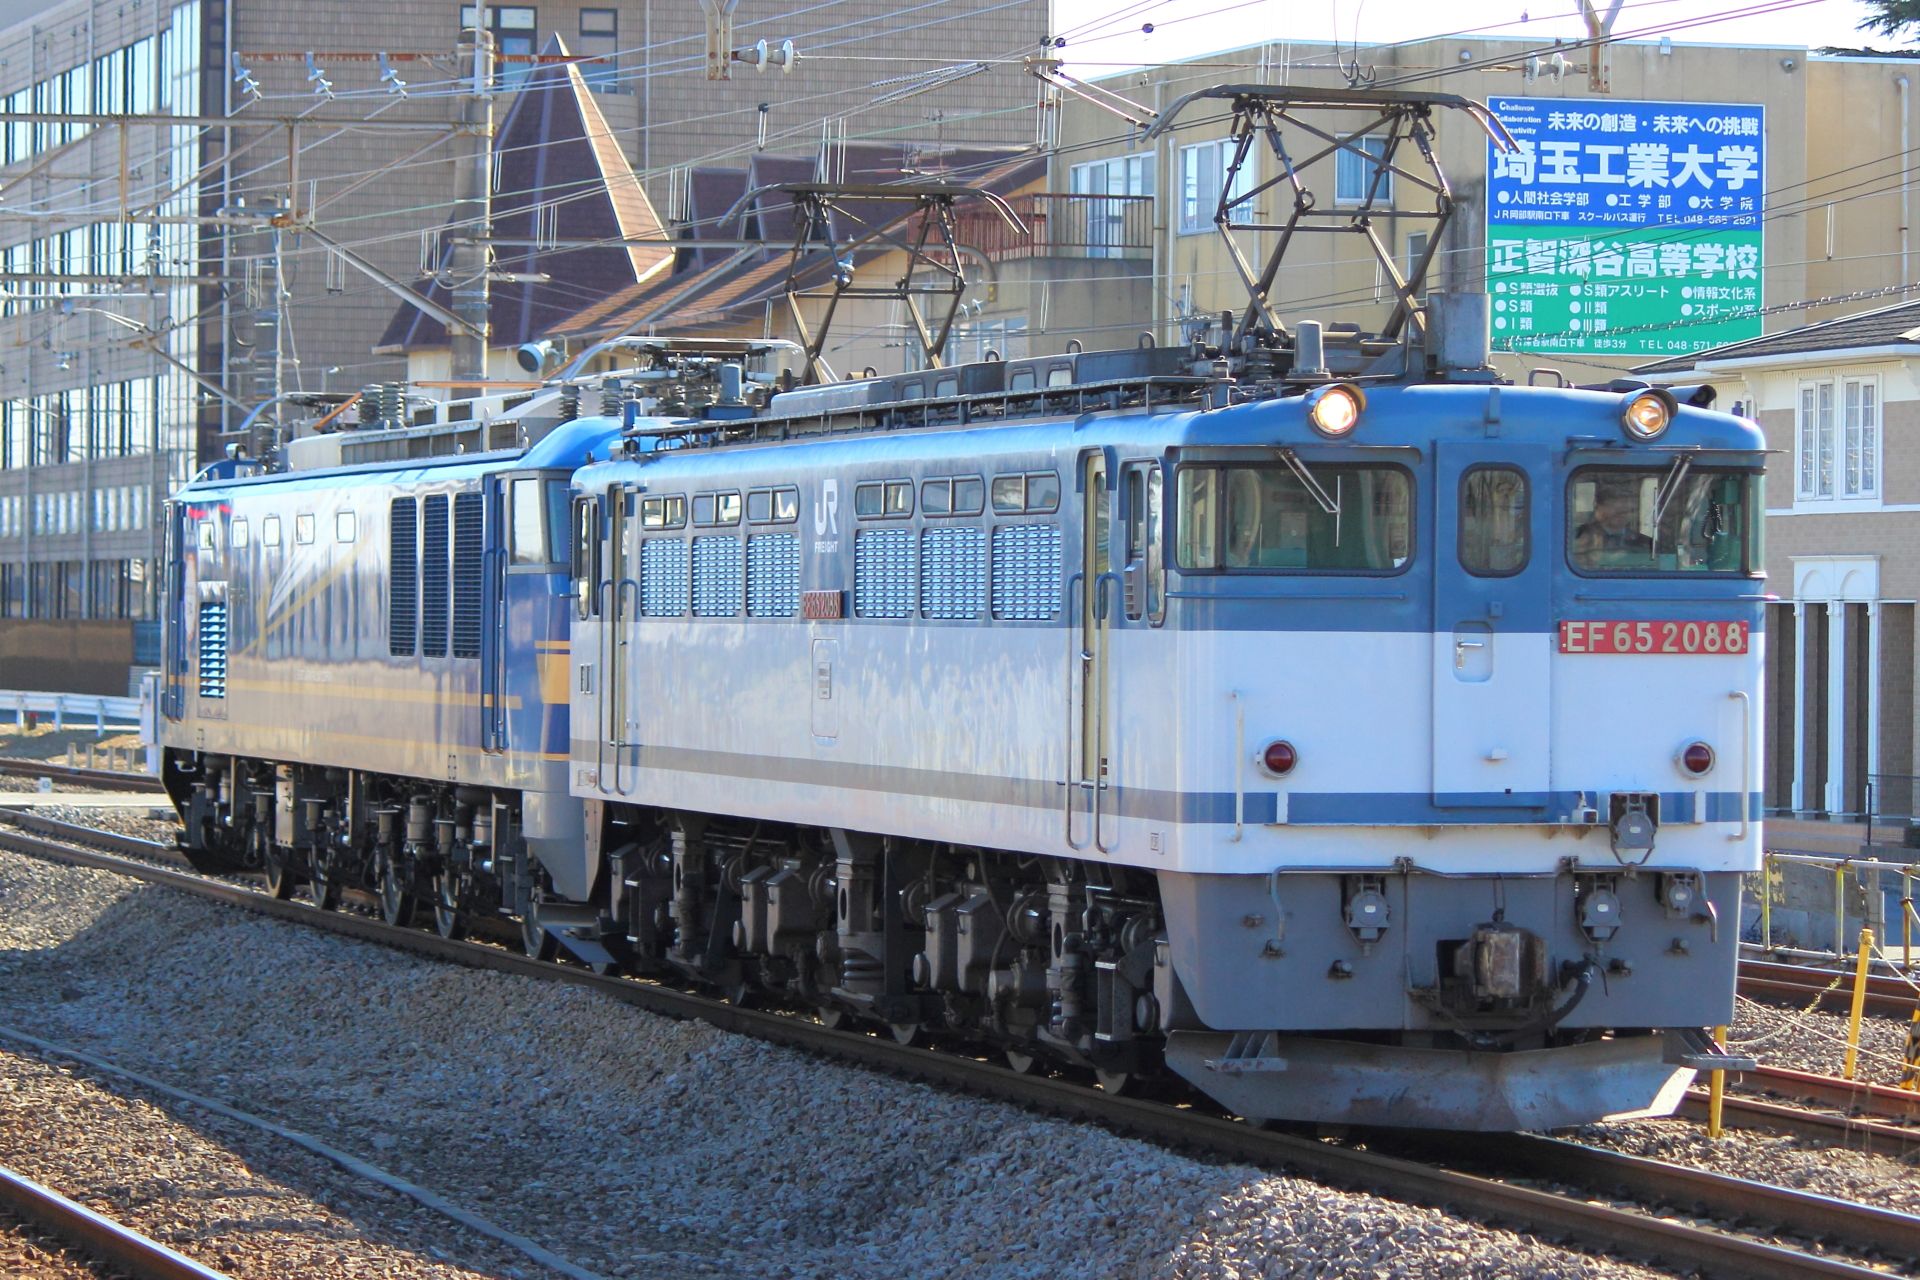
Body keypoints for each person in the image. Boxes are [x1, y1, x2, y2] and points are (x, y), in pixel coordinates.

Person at [1573, 479, 1653, 566]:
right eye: (1615, 507)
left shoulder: (1646, 543)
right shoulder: (1577, 537)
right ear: (1597, 506)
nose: (1622, 513)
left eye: (1627, 509)